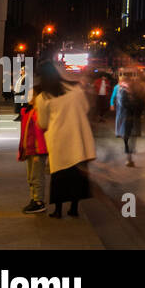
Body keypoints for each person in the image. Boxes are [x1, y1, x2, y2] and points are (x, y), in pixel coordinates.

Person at [33, 61, 96, 219]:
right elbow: (86, 108)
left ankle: (58, 210)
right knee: (76, 175)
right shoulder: (76, 90)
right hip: (78, 138)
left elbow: (43, 123)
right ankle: (74, 208)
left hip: (59, 140)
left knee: (59, 175)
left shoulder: (43, 97)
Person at [18, 100, 49, 214]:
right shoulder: (29, 111)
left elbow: (41, 127)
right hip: (31, 148)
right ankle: (34, 198)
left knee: (37, 176)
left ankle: (38, 202)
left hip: (37, 149)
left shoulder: (38, 112)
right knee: (31, 176)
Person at [112, 76, 141, 167]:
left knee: (132, 136)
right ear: (122, 84)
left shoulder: (132, 92)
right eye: (125, 83)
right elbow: (124, 104)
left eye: (128, 83)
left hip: (131, 117)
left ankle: (129, 156)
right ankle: (129, 158)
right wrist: (133, 105)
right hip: (125, 117)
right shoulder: (121, 92)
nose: (127, 84)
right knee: (127, 137)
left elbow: (138, 102)